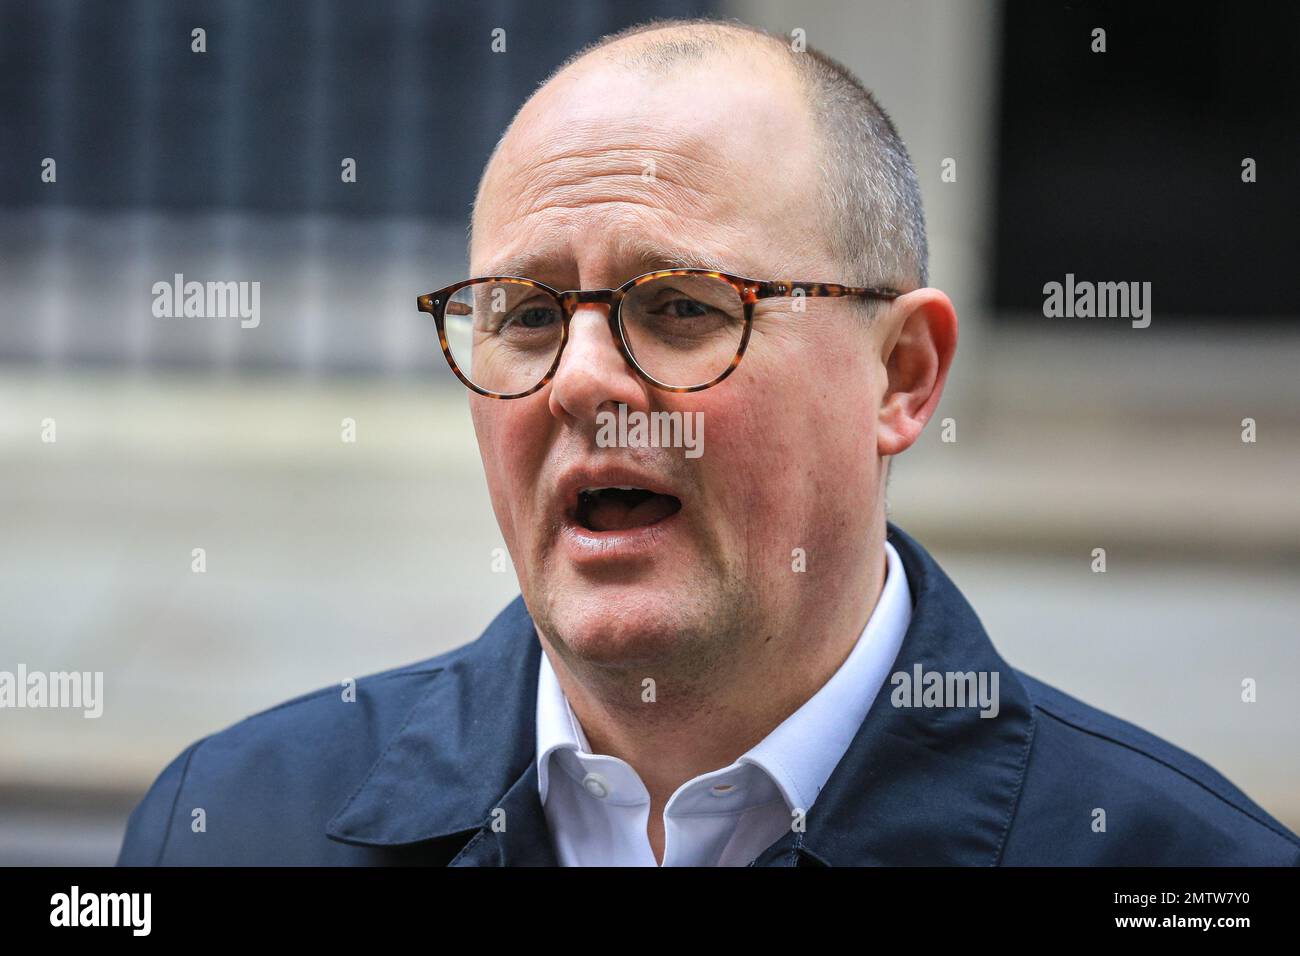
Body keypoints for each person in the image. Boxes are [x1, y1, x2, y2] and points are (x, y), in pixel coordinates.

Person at [117, 17, 1298, 866]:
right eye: (527, 313)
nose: (581, 379)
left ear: (900, 375)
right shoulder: (230, 821)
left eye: (679, 305)